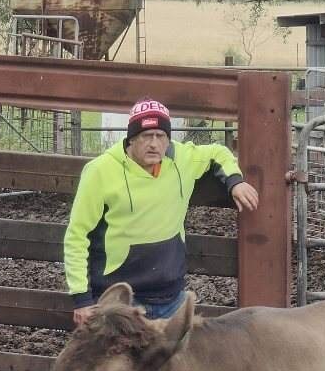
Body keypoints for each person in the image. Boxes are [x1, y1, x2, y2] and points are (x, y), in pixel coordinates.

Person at [64, 98, 259, 324]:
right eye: (146, 136)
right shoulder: (100, 171)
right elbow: (77, 235)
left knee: (177, 358)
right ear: (131, 138)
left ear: (168, 139)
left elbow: (218, 152)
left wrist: (235, 182)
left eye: (161, 136)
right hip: (119, 301)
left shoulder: (182, 159)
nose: (154, 144)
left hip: (170, 297)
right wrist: (82, 299)